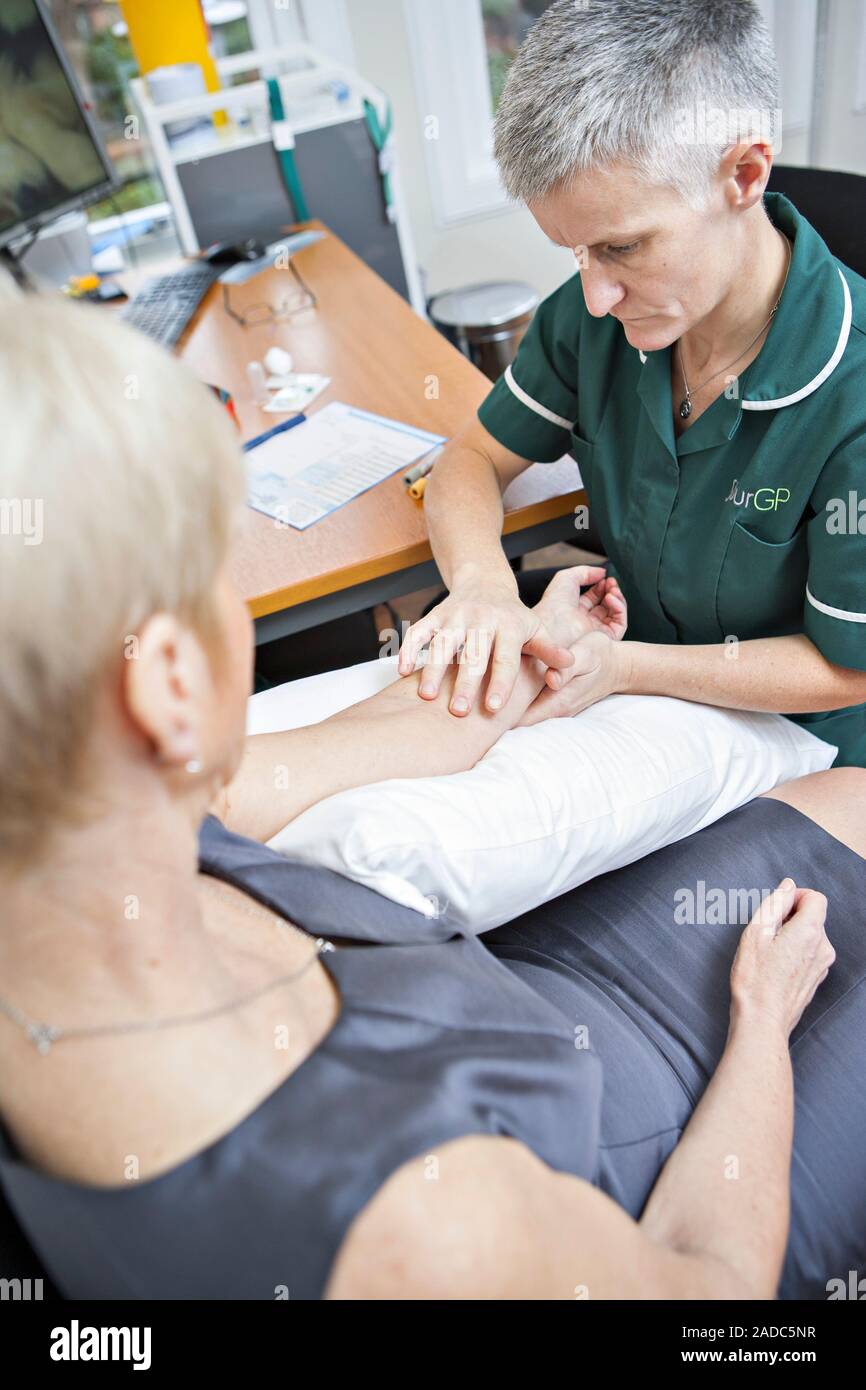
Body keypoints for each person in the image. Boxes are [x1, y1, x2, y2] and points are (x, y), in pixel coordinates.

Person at [1, 295, 864, 1300]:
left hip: (513, 1007)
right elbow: (708, 1295)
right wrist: (759, 1025)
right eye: (215, 585)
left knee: (844, 801)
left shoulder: (94, 808)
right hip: (628, 1190)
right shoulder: (423, 1229)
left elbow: (359, 742)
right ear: (168, 689)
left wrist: (528, 643)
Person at [398, 0, 866, 769]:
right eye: (574, 252)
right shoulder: (600, 320)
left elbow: (847, 667)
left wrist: (628, 671)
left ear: (744, 174)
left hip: (801, 753)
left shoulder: (850, 394)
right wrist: (483, 587)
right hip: (629, 707)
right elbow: (470, 461)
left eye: (621, 247)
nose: (594, 297)